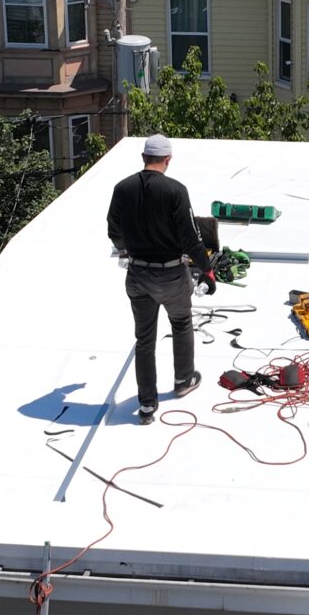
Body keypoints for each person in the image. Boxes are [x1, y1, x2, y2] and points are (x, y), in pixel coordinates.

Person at [108, 134, 213, 423]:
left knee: (144, 339)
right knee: (181, 323)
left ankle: (147, 405)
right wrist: (207, 268)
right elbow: (190, 239)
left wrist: (127, 249)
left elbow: (113, 230)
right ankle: (183, 381)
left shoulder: (122, 188)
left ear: (143, 158)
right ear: (168, 160)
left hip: (138, 274)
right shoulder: (176, 190)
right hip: (170, 275)